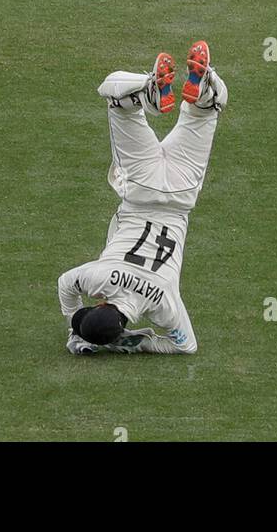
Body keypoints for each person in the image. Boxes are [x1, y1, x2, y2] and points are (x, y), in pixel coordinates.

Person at [57, 41, 227, 357]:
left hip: (180, 193)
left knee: (206, 113)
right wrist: (73, 329)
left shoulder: (164, 303)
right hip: (140, 188)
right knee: (117, 103)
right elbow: (65, 284)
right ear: (100, 303)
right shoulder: (98, 278)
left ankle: (204, 90)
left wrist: (136, 342)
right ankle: (146, 90)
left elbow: (186, 347)